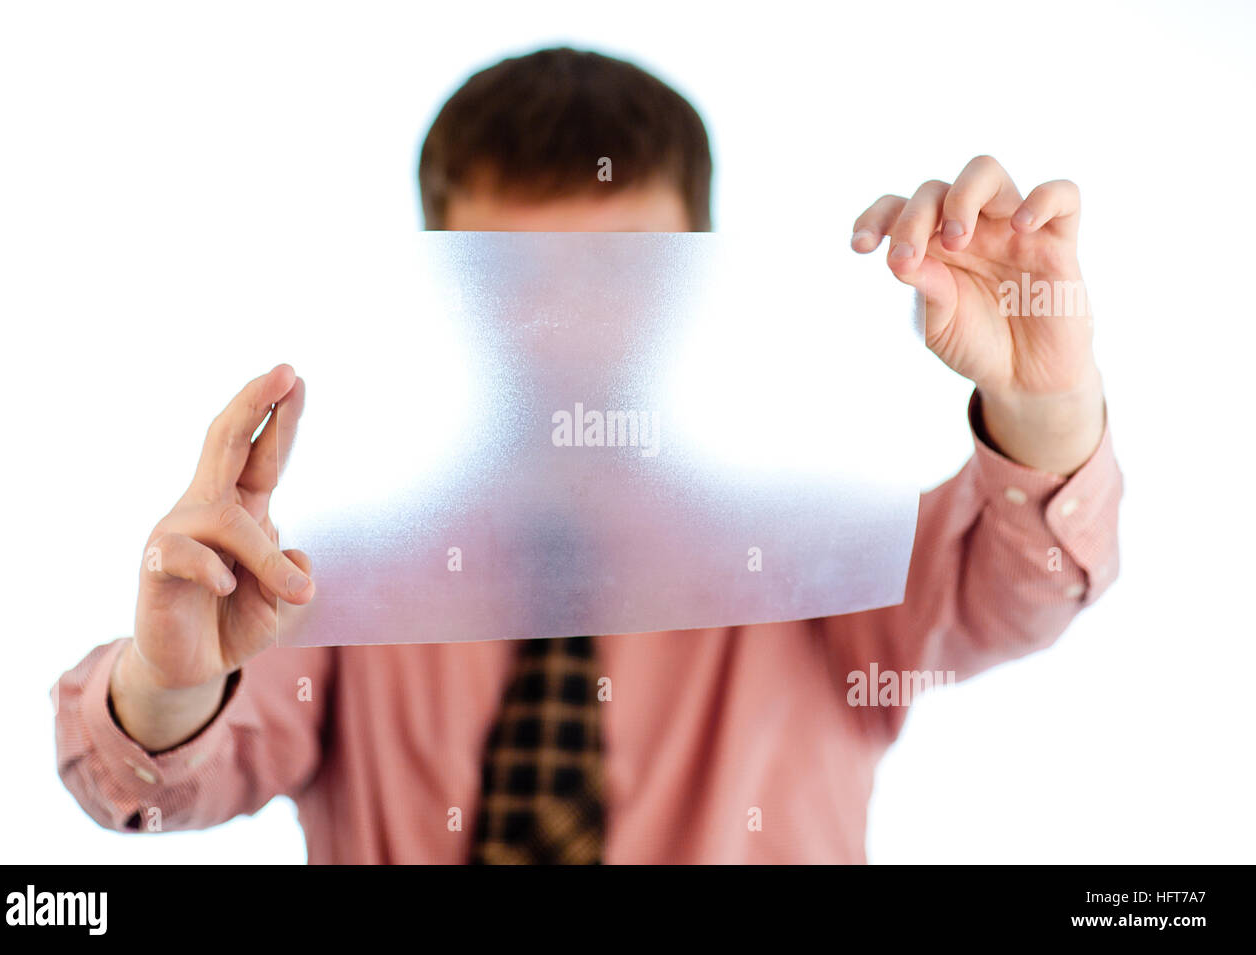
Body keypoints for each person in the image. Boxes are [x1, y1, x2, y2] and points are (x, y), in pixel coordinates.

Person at [54, 47, 1122, 864]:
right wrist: (165, 685)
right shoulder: (339, 580)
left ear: (690, 275)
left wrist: (1044, 402)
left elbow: (1011, 586)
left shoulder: (809, 562)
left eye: (612, 268)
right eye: (513, 275)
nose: (564, 322)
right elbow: (153, 783)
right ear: (443, 288)